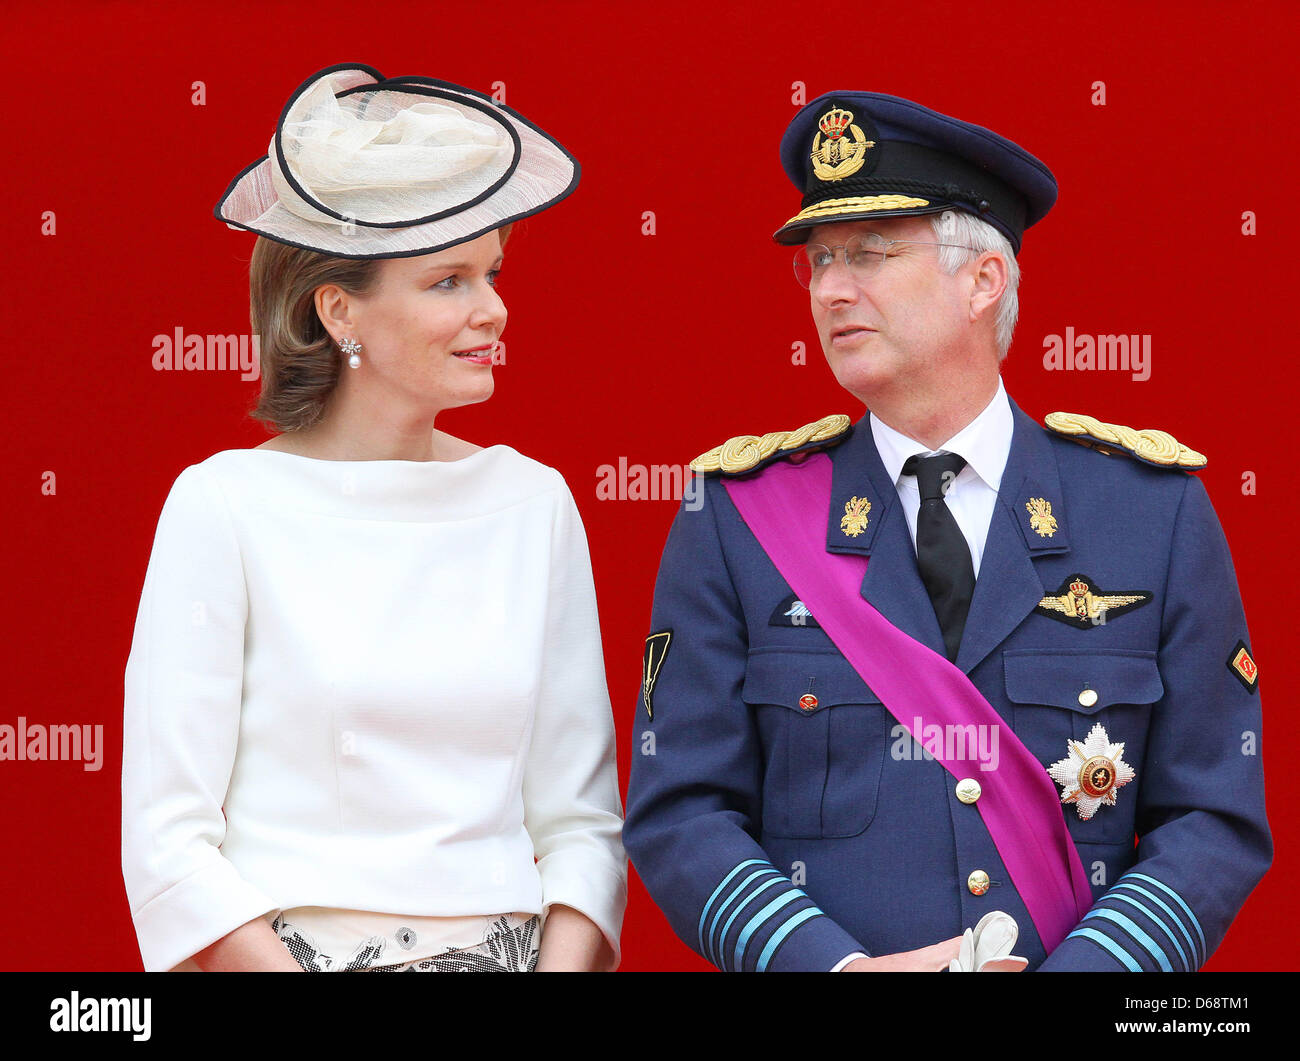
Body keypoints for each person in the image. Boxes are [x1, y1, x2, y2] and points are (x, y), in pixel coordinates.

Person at [622, 91, 1271, 972]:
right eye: (817, 262)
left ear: (984, 280)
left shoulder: (1150, 511)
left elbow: (1211, 815)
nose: (831, 288)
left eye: (871, 253)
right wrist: (835, 970)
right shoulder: (736, 519)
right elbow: (682, 810)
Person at [121, 62, 626, 973]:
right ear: (339, 310)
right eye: (449, 282)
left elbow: (582, 827)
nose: (494, 309)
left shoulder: (534, 503)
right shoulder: (224, 505)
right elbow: (169, 844)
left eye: (493, 274)